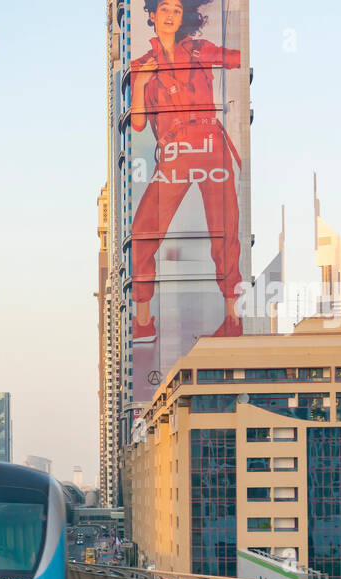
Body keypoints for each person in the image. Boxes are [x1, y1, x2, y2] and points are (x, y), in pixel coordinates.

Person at [128, 0, 243, 343]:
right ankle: (144, 320)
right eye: (164, 9)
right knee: (143, 231)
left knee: (226, 229)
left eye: (177, 11)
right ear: (152, 14)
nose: (170, 16)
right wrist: (139, 83)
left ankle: (232, 318)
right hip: (176, 150)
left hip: (211, 144)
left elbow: (237, 59)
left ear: (183, 18)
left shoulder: (199, 49)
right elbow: (135, 124)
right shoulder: (141, 65)